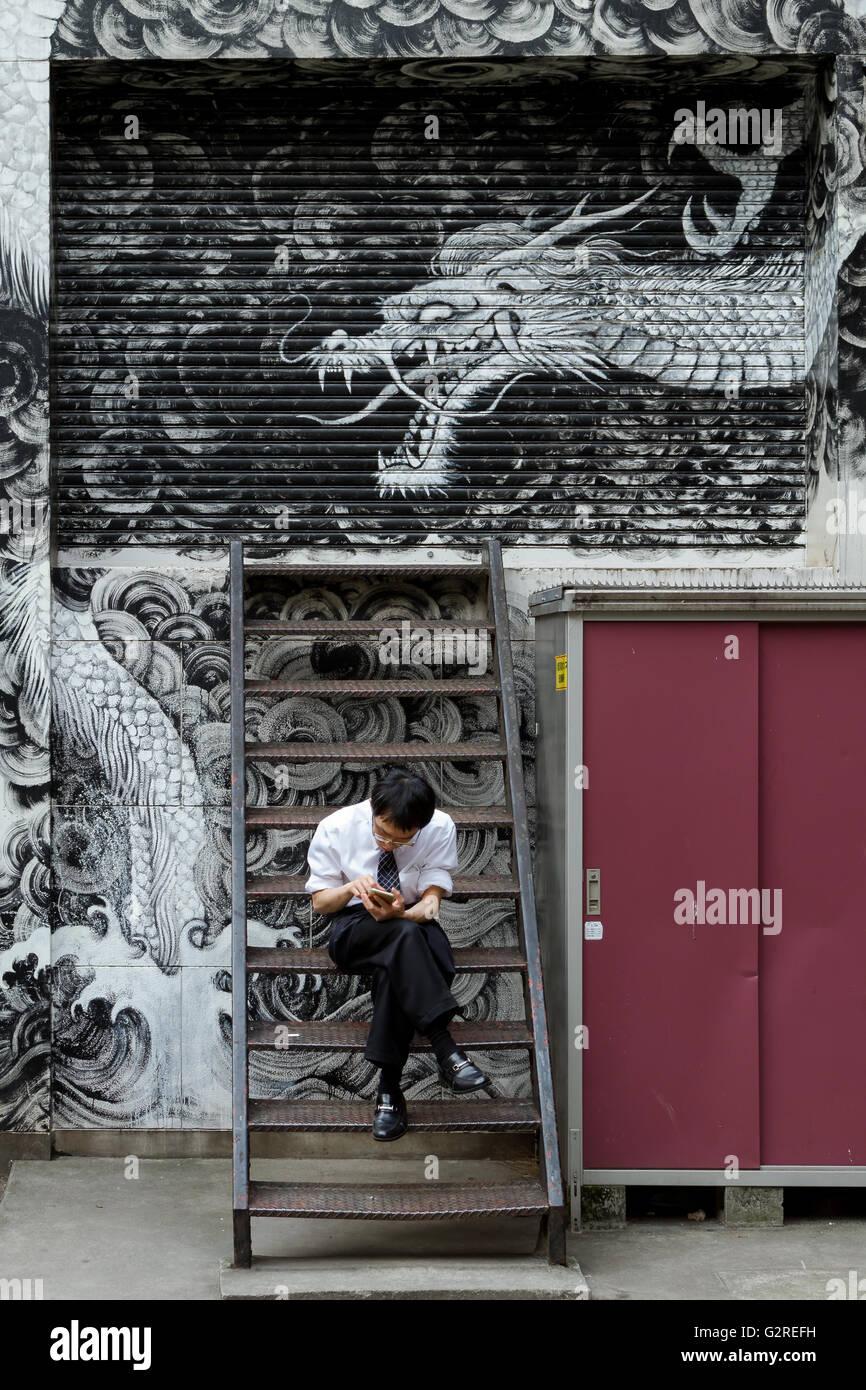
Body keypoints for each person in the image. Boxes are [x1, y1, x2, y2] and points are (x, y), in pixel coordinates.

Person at [304, 768, 490, 1140]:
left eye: (401, 841)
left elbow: (433, 901)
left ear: (420, 827)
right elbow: (320, 903)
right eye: (381, 835)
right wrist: (350, 889)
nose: (388, 845)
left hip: (411, 921)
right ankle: (446, 1048)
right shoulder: (337, 826)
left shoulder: (439, 828)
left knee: (399, 959)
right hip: (354, 927)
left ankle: (389, 1092)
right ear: (373, 808)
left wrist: (404, 913)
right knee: (410, 946)